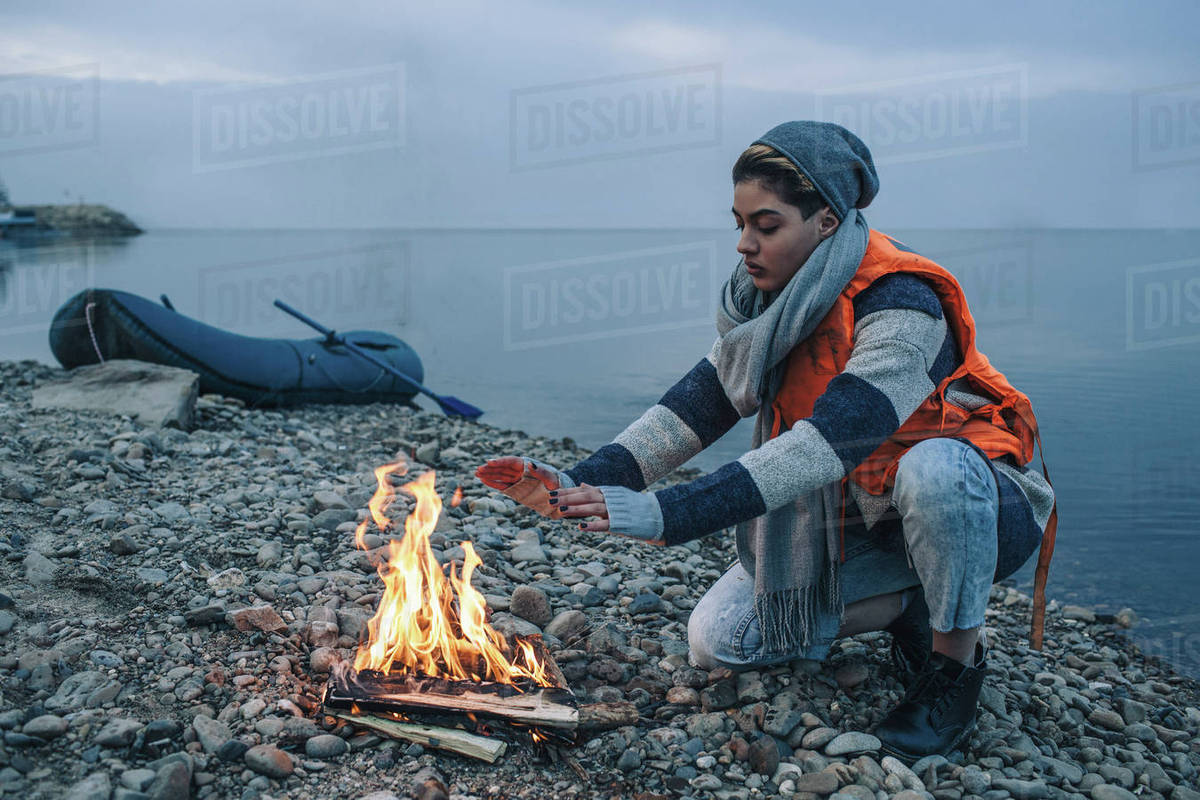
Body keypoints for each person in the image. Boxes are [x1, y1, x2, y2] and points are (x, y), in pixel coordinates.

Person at [475, 120, 1058, 764]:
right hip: (862, 521)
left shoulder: (902, 302)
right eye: (740, 223)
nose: (745, 245)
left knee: (934, 469)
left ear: (827, 221)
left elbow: (825, 444)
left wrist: (668, 514)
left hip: (977, 511)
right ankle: (908, 605)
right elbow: (690, 412)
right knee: (719, 641)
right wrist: (583, 481)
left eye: (768, 225)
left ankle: (954, 669)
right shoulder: (769, 308)